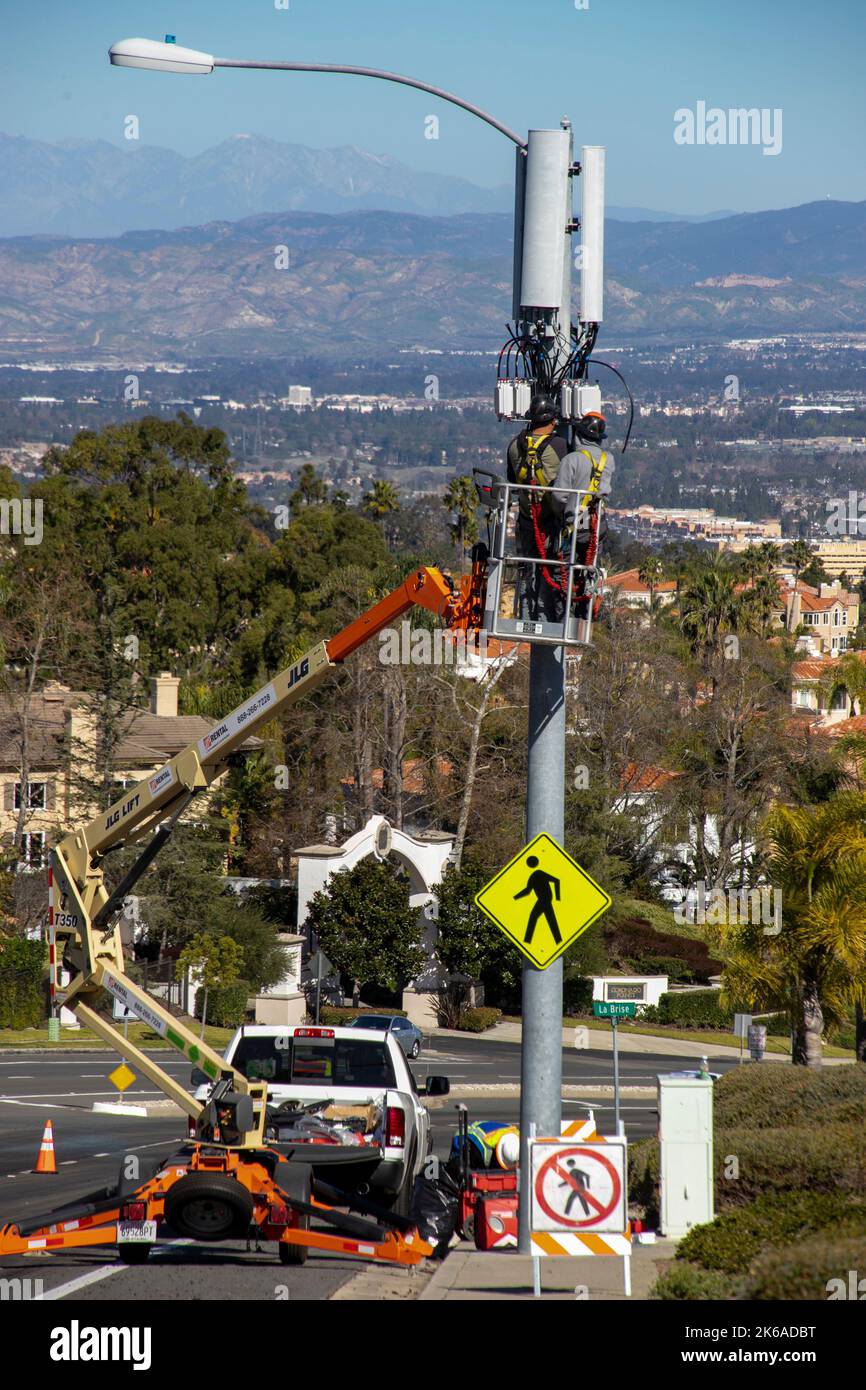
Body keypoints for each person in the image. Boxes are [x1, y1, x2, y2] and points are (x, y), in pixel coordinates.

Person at [505, 393, 568, 618]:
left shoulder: (514, 446)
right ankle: (547, 617)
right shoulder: (560, 445)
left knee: (526, 569)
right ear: (552, 420)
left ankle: (525, 615)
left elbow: (512, 480)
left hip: (525, 519)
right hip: (550, 522)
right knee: (551, 571)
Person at [548, 411, 615, 614]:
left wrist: (557, 514)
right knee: (589, 569)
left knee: (563, 574)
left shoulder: (572, 460)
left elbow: (559, 497)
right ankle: (583, 614)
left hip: (572, 524)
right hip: (596, 525)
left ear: (578, 435)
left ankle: (563, 615)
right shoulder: (608, 459)